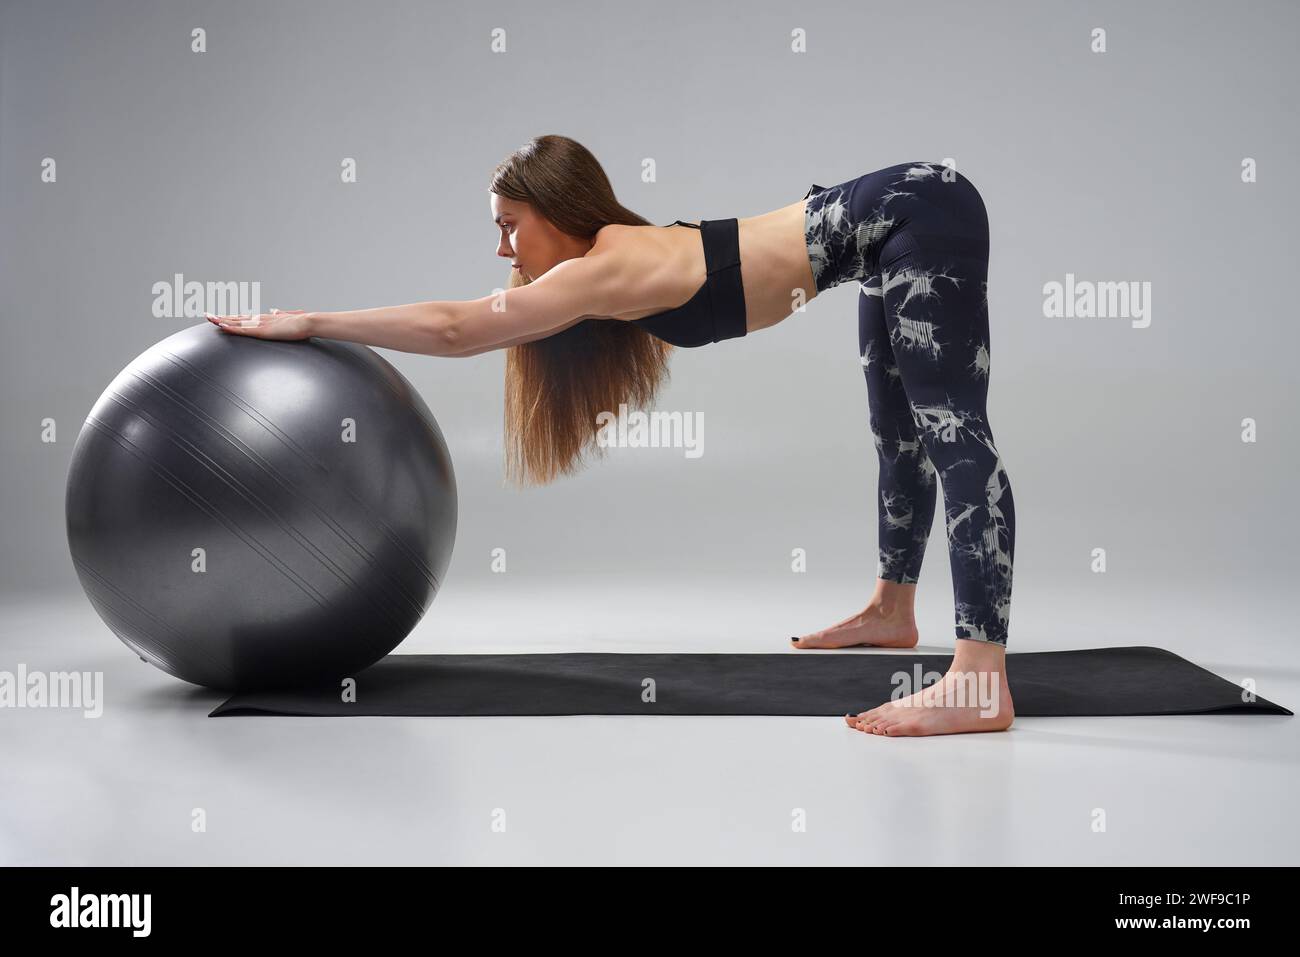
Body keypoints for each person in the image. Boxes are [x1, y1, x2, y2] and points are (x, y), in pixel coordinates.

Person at [208, 134, 1016, 737]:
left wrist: (311, 320)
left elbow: (458, 329)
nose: (501, 248)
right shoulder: (606, 260)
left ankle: (980, 677)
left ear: (555, 214)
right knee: (898, 432)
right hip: (885, 226)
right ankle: (892, 610)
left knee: (950, 429)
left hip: (918, 208)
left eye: (510, 225)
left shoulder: (598, 270)